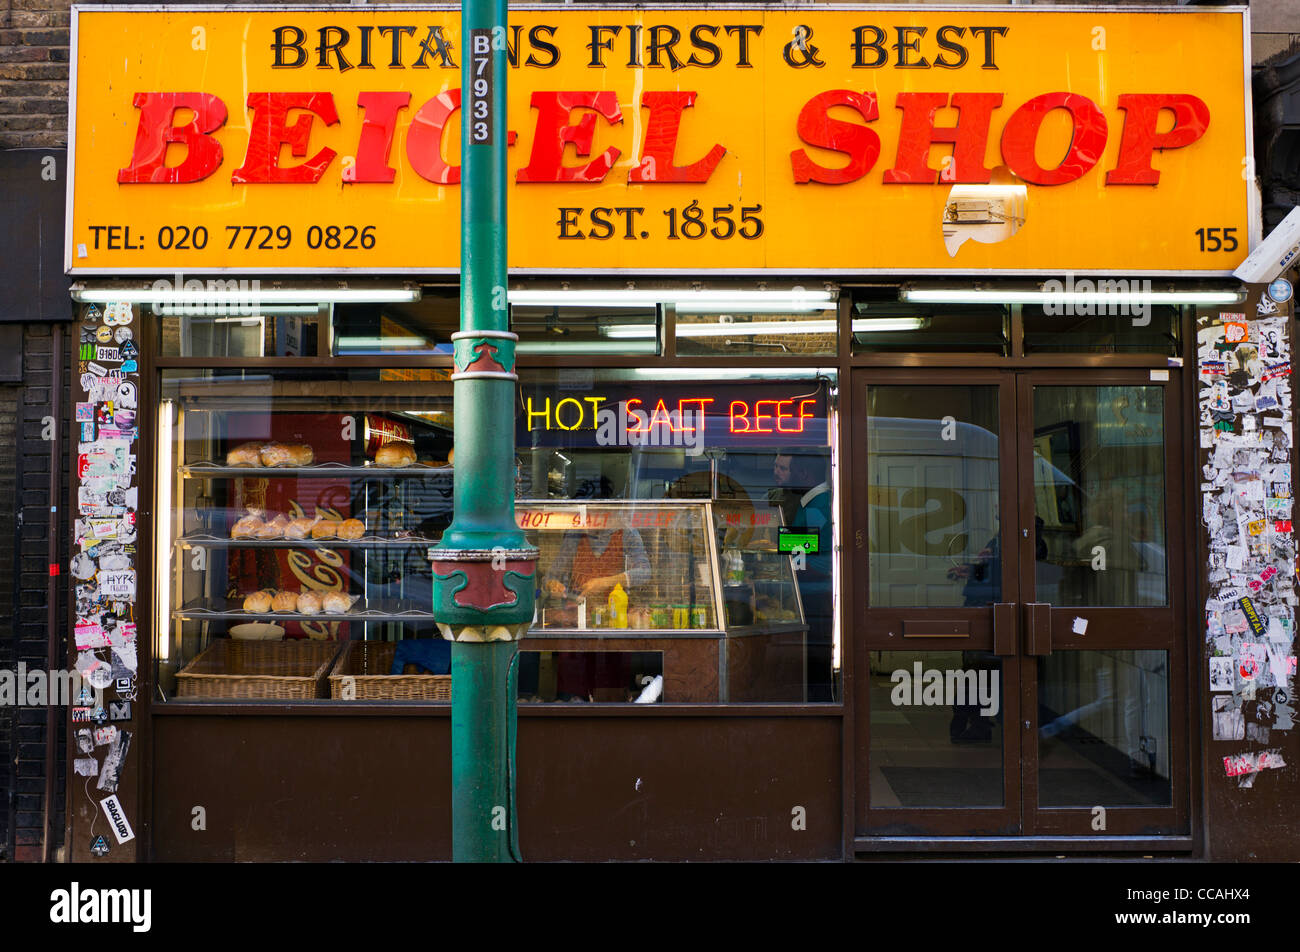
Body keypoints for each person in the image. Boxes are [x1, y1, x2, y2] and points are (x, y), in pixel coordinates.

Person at [786, 453, 834, 701]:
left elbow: (805, 558)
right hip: (812, 593)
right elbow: (799, 549)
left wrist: (783, 564)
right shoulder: (812, 504)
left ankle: (819, 703)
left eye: (791, 471)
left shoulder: (817, 506)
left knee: (816, 659)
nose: (787, 477)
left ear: (804, 474)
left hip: (814, 596)